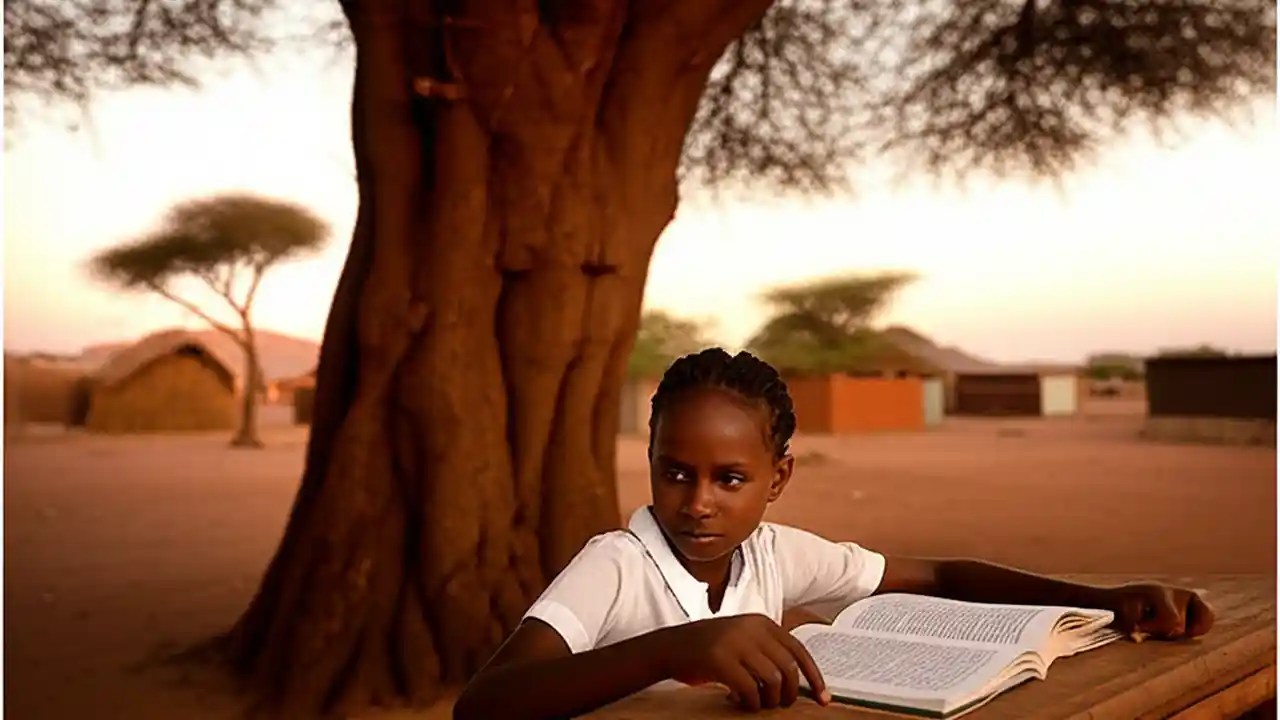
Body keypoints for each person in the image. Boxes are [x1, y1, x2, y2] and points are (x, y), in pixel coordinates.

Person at [454, 348, 1214, 720]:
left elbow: (943, 579)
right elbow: (486, 703)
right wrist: (670, 648)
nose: (698, 504)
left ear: (777, 478)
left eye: (730, 479)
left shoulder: (776, 552)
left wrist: (1105, 600)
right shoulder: (616, 565)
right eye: (674, 472)